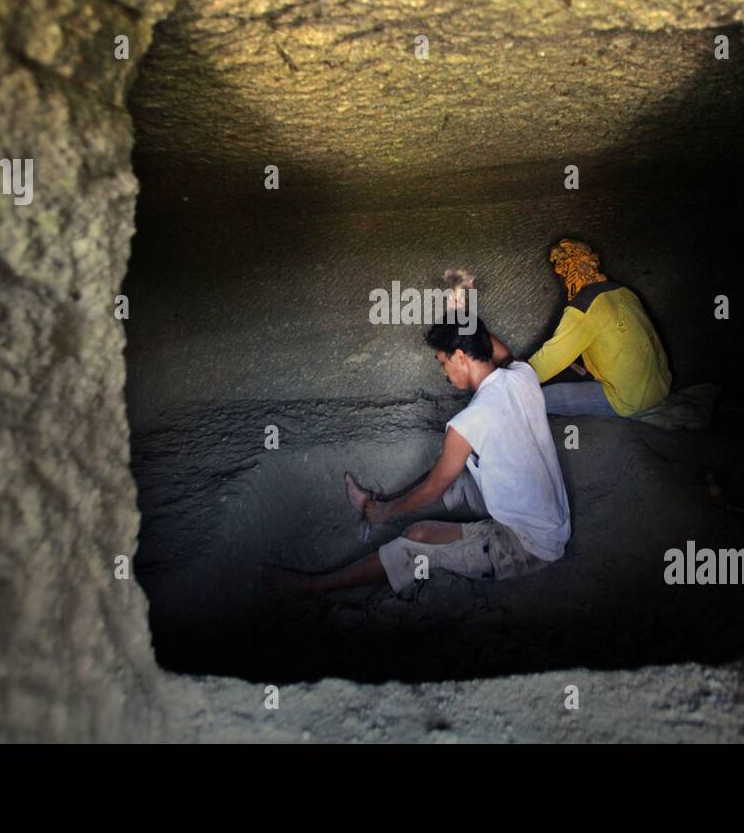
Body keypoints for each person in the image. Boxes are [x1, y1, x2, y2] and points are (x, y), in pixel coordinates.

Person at [257, 318, 570, 598]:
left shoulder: (468, 424)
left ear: (460, 356)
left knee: (411, 546)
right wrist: (465, 318)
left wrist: (386, 514)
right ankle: (374, 503)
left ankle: (316, 586)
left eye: (442, 362)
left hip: (526, 548)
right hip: (550, 525)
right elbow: (489, 345)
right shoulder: (522, 375)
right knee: (428, 517)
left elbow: (430, 492)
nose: (444, 374)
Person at [490, 239, 672, 418]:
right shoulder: (624, 292)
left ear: (567, 272)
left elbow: (547, 363)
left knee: (538, 397)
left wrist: (514, 376)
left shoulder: (583, 306)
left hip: (632, 400)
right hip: (661, 386)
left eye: (560, 273)